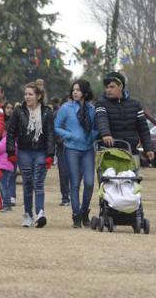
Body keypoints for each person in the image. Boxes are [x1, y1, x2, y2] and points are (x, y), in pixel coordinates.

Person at [6, 82, 55, 228]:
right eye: (26, 94)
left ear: (38, 96)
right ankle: (27, 215)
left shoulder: (47, 112)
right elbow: (10, 132)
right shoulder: (18, 111)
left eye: (30, 94)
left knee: (38, 183)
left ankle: (40, 213)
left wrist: (50, 155)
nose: (27, 97)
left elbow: (50, 135)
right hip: (24, 151)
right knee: (27, 183)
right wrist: (10, 152)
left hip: (40, 151)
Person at [55, 80, 99, 228]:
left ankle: (84, 211)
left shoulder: (92, 109)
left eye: (78, 90)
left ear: (85, 92)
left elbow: (96, 128)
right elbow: (56, 126)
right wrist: (69, 135)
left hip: (87, 150)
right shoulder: (66, 108)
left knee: (89, 183)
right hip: (71, 149)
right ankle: (76, 215)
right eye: (73, 90)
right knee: (74, 182)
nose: (75, 92)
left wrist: (92, 136)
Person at [95, 72, 154, 167]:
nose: (108, 90)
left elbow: (143, 129)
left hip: (131, 150)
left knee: (131, 179)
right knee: (111, 180)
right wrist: (106, 134)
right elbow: (102, 119)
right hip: (110, 151)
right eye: (106, 87)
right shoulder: (101, 104)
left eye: (111, 87)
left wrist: (148, 148)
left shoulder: (135, 105)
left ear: (121, 86)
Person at [51, 97, 71, 207]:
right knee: (63, 173)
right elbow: (53, 130)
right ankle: (65, 197)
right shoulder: (56, 115)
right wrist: (60, 141)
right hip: (61, 148)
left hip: (74, 147)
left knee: (75, 174)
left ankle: (72, 195)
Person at [0, 132, 15, 211]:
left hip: (3, 166)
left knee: (4, 186)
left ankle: (7, 204)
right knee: (4, 185)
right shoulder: (11, 140)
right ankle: (5, 203)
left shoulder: (6, 140)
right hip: (6, 166)